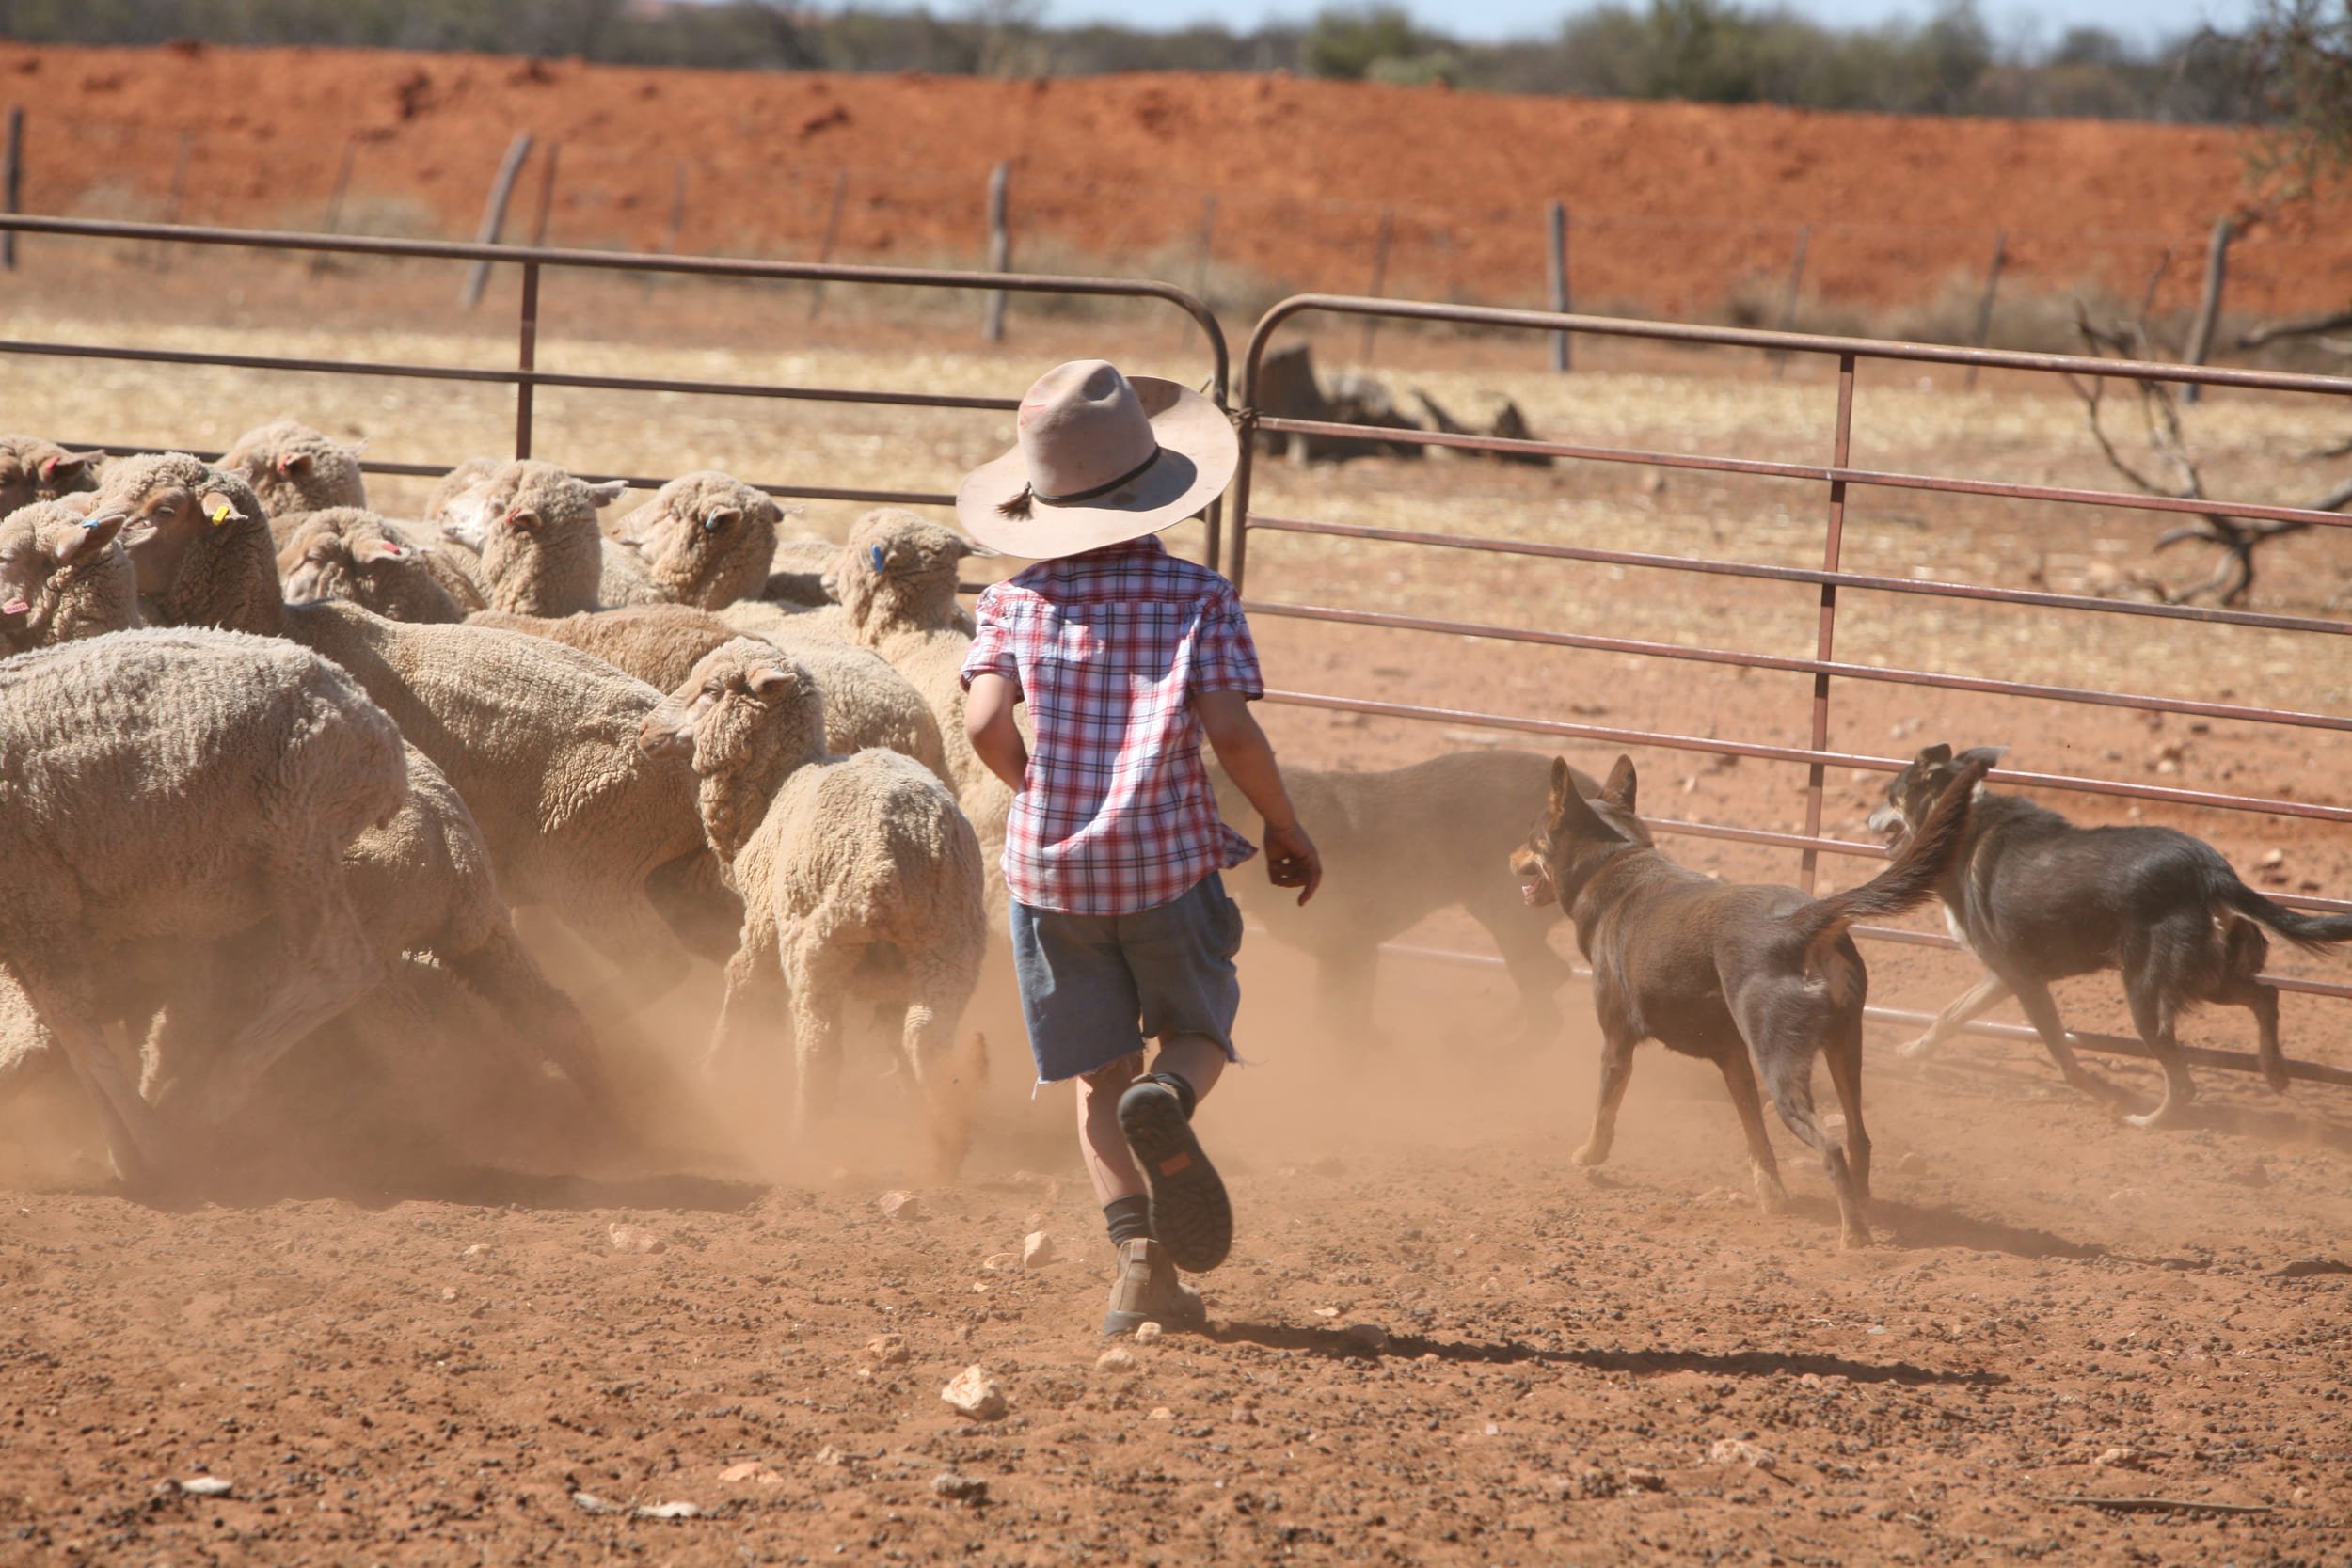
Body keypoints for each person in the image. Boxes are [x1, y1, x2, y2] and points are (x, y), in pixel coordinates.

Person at [958, 358, 1321, 1336]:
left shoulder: (1011, 601)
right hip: (1163, 863)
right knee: (1198, 1029)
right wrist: (1282, 826)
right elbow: (1233, 732)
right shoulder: (1197, 596)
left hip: (1048, 878)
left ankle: (1139, 1272)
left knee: (1094, 1081)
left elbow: (986, 722)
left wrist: (1036, 790)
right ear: (1155, 479)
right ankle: (1171, 1094)